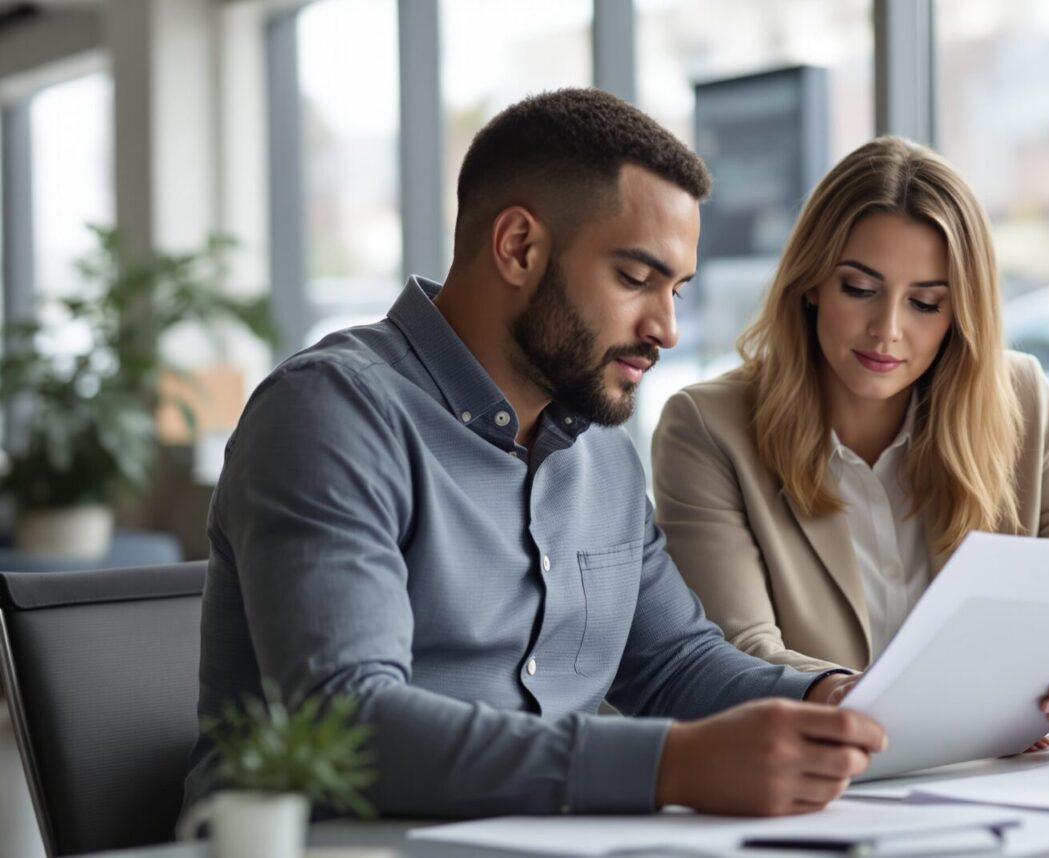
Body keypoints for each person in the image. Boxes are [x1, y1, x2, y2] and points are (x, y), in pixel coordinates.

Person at [184, 88, 883, 821]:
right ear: (519, 247)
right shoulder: (329, 414)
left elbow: (674, 663)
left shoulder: (601, 451)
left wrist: (837, 700)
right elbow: (349, 721)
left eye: (677, 289)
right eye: (637, 279)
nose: (668, 328)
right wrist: (666, 766)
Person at [651, 137, 1049, 753]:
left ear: (961, 313)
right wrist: (948, 712)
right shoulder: (709, 426)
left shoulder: (1022, 401)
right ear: (811, 282)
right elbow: (734, 660)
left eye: (926, 302)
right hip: (819, 797)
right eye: (859, 288)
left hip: (1002, 801)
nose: (888, 330)